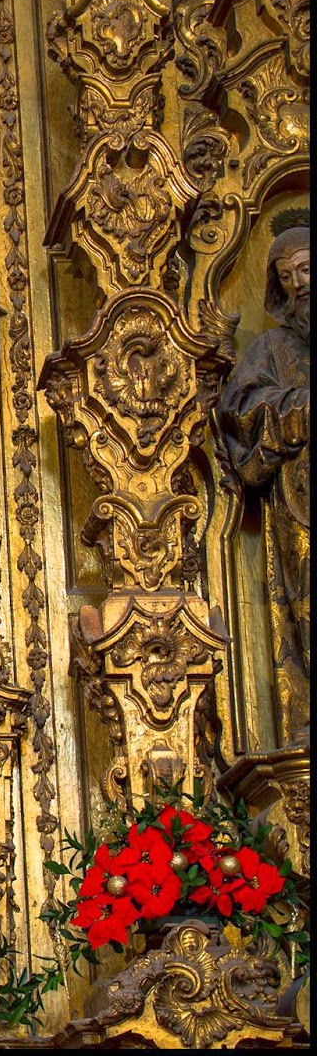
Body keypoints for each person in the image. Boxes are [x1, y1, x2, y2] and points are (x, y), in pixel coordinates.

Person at [217, 224, 309, 741]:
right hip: (301, 500)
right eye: (286, 275)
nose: (300, 283)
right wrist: (296, 409)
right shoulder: (272, 348)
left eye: (306, 268)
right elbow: (241, 408)